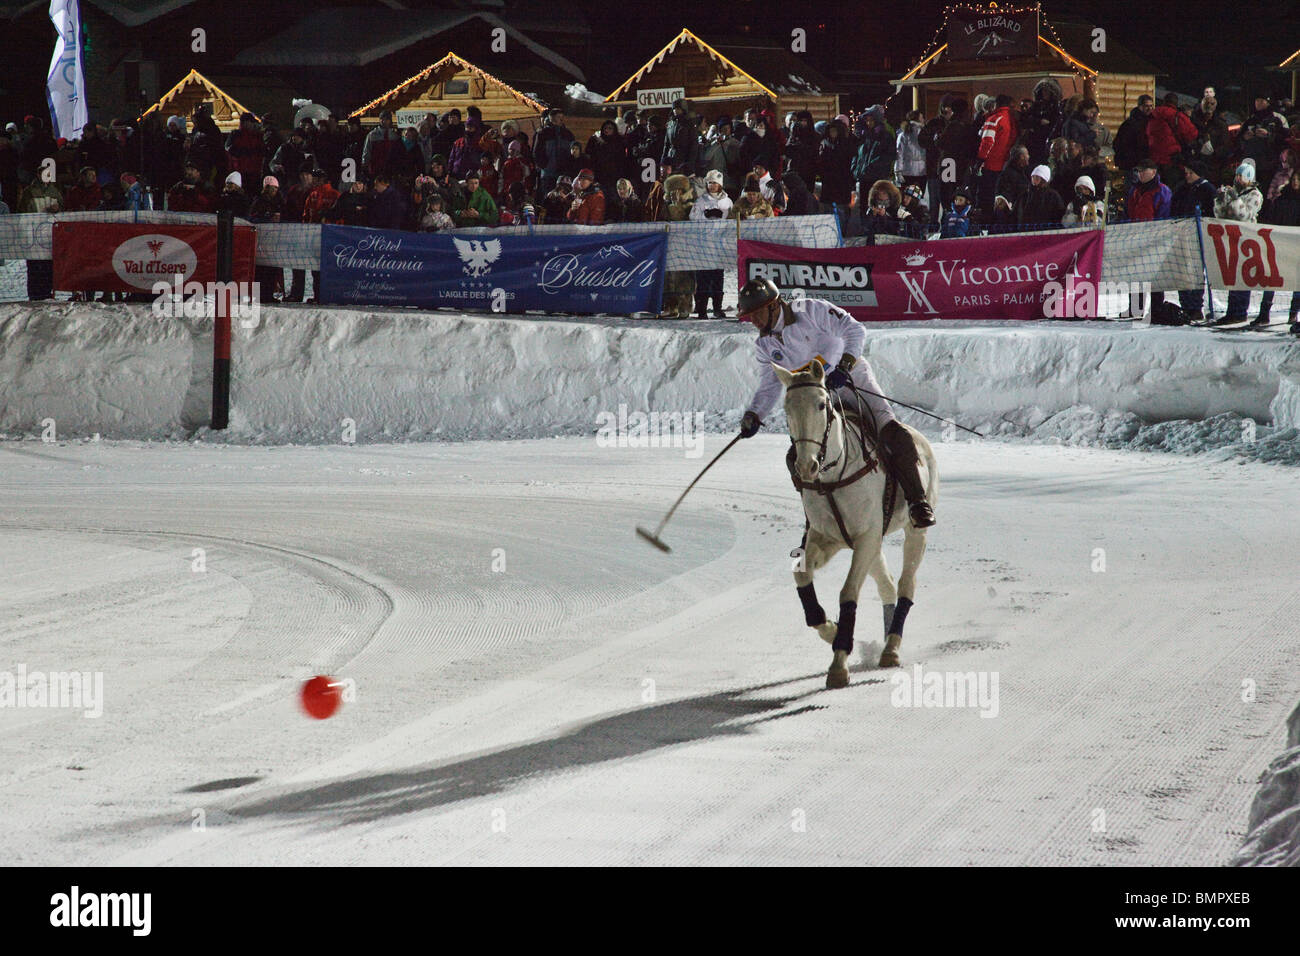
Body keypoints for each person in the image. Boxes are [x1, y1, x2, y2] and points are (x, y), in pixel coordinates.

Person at [733, 278, 935, 528]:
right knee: (797, 456)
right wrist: (754, 414)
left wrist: (845, 365)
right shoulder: (764, 345)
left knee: (893, 433)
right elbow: (770, 384)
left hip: (852, 380)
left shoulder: (810, 309)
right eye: (749, 315)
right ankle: (815, 521)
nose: (752, 320)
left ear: (774, 305)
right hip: (815, 397)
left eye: (756, 313)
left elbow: (854, 329)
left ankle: (917, 502)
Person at [1213, 161, 1264, 324]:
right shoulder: (1233, 191)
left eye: (1241, 176)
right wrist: (1220, 200)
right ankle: (1232, 311)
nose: (1237, 179)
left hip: (1246, 239)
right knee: (1233, 274)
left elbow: (1245, 215)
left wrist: (1235, 200)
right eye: (1237, 175)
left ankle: (1240, 311)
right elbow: (1220, 215)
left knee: (1243, 275)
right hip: (1231, 237)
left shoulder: (1255, 195)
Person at [1258, 168, 1300, 332]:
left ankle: (1293, 313)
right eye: (1294, 179)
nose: (1295, 182)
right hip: (1280, 243)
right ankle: (1264, 312)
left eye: (1298, 179)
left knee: (1297, 280)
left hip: (1297, 245)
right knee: (1272, 277)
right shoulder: (1282, 199)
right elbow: (1272, 217)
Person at [690, 169, 732, 318]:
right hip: (704, 245)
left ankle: (717, 308)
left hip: (720, 245)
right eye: (709, 183)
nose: (712, 186)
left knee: (718, 278)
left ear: (720, 184)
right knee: (703, 278)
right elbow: (692, 218)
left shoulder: (727, 201)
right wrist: (705, 216)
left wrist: (722, 218)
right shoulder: (701, 201)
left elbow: (732, 221)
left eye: (714, 183)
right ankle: (701, 309)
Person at [976, 94, 1018, 216]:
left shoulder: (994, 119)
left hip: (990, 165)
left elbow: (987, 142)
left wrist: (980, 160)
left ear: (996, 104)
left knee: (986, 196)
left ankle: (986, 221)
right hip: (1004, 164)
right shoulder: (1011, 120)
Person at [533, 108, 575, 195]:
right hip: (548, 173)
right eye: (558, 117)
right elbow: (537, 152)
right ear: (551, 118)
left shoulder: (568, 134)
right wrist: (544, 165)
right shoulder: (543, 133)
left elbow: (571, 152)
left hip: (563, 173)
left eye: (562, 117)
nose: (561, 119)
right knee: (548, 196)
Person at [1113, 95, 1154, 172]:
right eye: (1146, 106)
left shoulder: (1152, 122)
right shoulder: (1130, 124)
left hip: (1146, 162)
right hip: (1132, 162)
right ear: (1140, 107)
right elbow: (1120, 143)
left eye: (1151, 106)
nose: (1149, 109)